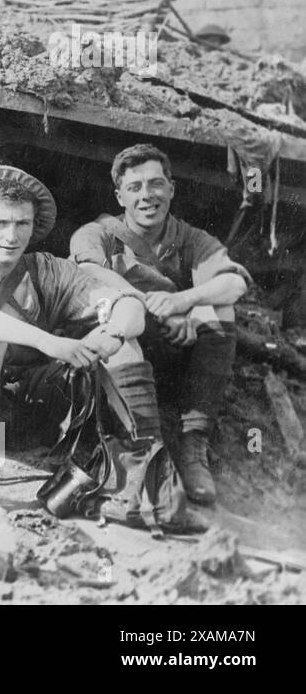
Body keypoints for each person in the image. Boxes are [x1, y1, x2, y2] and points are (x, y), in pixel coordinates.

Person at [0, 166, 156, 577]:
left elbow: (128, 306)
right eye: (0, 223)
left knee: (125, 343)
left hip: (28, 413)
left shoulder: (48, 271)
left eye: (22, 223)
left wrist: (110, 332)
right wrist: (49, 342)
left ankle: (145, 474)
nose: (11, 235)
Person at [69, 144, 250, 504]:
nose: (146, 196)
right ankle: (145, 451)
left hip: (172, 354)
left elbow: (235, 282)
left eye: (155, 184)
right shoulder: (100, 233)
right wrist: (155, 308)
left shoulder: (189, 237)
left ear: (171, 189)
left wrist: (184, 303)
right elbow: (88, 271)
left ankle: (193, 442)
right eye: (134, 188)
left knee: (220, 310)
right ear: (120, 195)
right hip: (114, 355)